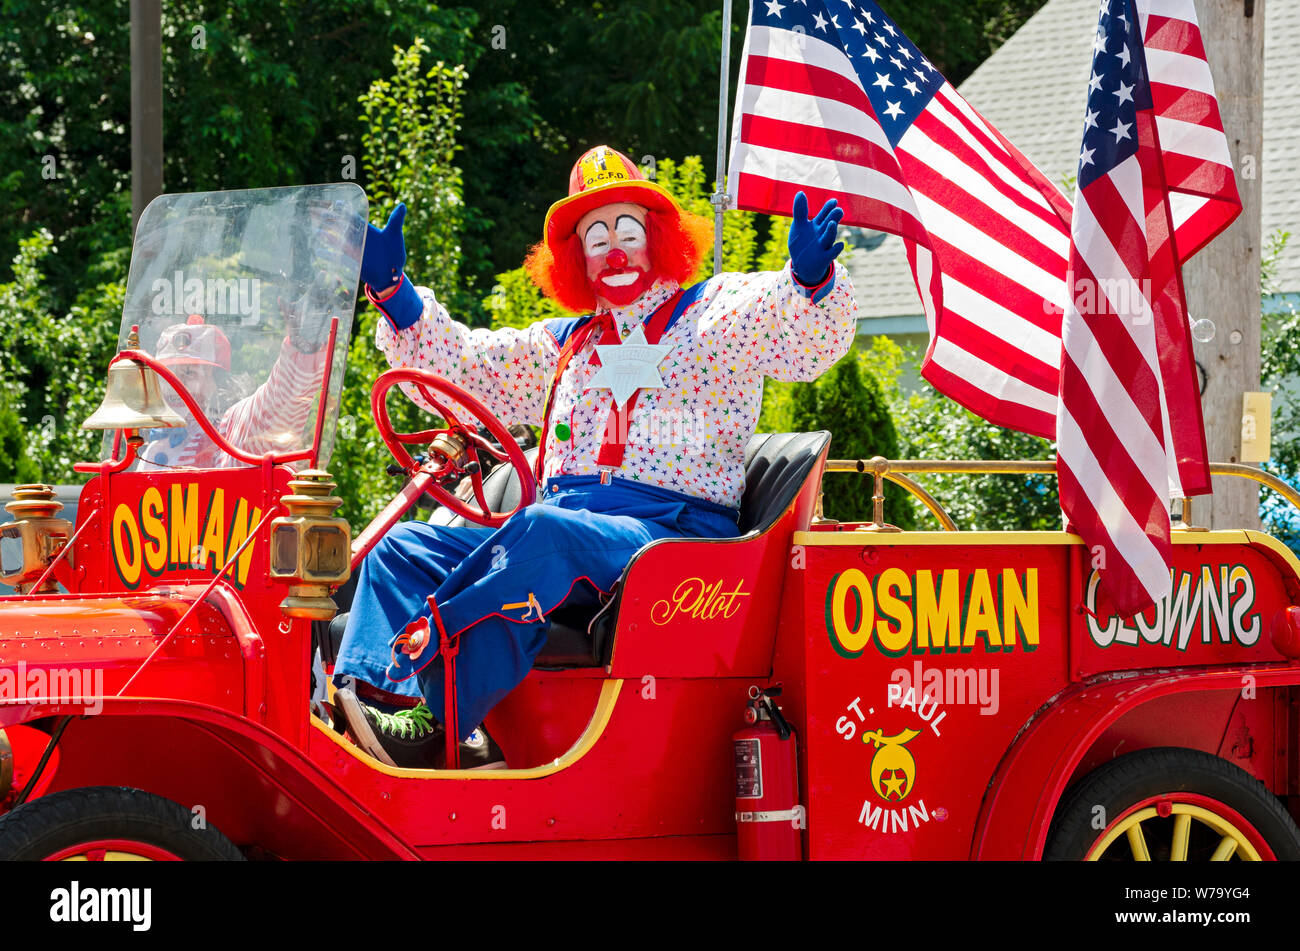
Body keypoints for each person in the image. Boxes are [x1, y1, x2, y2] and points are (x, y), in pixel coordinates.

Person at [332, 145, 859, 769]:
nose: (615, 252)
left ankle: (439, 719)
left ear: (657, 239)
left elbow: (782, 327)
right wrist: (395, 294)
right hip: (564, 531)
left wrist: (809, 282)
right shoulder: (566, 345)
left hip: (669, 537)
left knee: (543, 532)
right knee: (403, 548)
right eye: (597, 239)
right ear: (576, 260)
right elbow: (471, 371)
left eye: (628, 233)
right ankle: (372, 708)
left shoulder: (710, 316)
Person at [137, 302, 330, 470]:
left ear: (212, 383)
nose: (174, 385)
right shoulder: (148, 449)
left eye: (189, 373)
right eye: (166, 375)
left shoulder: (223, 436)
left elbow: (269, 411)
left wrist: (303, 350)